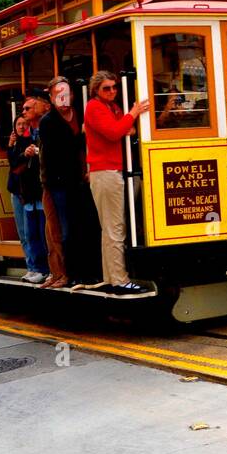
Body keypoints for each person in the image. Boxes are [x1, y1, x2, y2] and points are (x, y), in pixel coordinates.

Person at [82, 70, 149, 294]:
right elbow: (114, 132)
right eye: (106, 88)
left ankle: (111, 277)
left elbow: (123, 129)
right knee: (114, 228)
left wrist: (124, 125)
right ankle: (120, 280)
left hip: (110, 171)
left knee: (110, 228)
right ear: (96, 91)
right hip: (106, 172)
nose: (112, 91)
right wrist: (134, 112)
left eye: (114, 87)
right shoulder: (94, 107)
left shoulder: (112, 107)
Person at [37, 77, 83, 290]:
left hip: (77, 181)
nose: (64, 99)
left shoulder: (80, 115)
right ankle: (60, 273)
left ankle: (68, 273)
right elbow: (57, 153)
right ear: (52, 97)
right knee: (57, 229)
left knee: (73, 228)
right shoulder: (48, 121)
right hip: (55, 183)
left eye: (67, 94)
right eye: (59, 95)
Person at [7, 107, 49, 283]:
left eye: (24, 123)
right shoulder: (18, 144)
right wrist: (13, 147)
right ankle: (32, 267)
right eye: (19, 124)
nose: (22, 126)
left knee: (37, 232)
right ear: (14, 128)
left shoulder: (30, 141)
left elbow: (25, 164)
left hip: (31, 193)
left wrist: (24, 154)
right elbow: (13, 163)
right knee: (25, 234)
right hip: (19, 193)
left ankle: (41, 268)